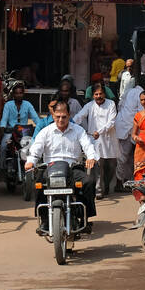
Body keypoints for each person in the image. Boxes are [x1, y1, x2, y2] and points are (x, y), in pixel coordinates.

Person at [25, 98, 98, 231]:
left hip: (73, 168)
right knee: (38, 184)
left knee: (89, 181)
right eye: (57, 117)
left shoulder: (78, 130)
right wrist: (31, 161)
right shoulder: (45, 132)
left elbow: (88, 145)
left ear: (69, 116)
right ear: (53, 115)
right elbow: (36, 149)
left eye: (64, 117)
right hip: (51, 168)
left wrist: (91, 157)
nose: (60, 120)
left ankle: (84, 218)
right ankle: (45, 220)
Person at [74, 80, 118, 198]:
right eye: (96, 94)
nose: (98, 96)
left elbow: (111, 122)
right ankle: (99, 189)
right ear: (93, 95)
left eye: (100, 94)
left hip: (109, 140)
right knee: (98, 166)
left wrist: (100, 131)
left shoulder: (111, 104)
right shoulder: (89, 106)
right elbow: (80, 115)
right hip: (94, 140)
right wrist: (71, 123)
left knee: (111, 166)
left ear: (104, 94)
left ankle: (106, 185)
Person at [114, 74, 145, 191]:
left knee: (126, 156)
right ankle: (119, 181)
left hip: (123, 125)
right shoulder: (140, 94)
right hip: (128, 127)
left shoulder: (130, 91)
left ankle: (126, 181)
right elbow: (141, 114)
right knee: (124, 157)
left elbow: (121, 105)